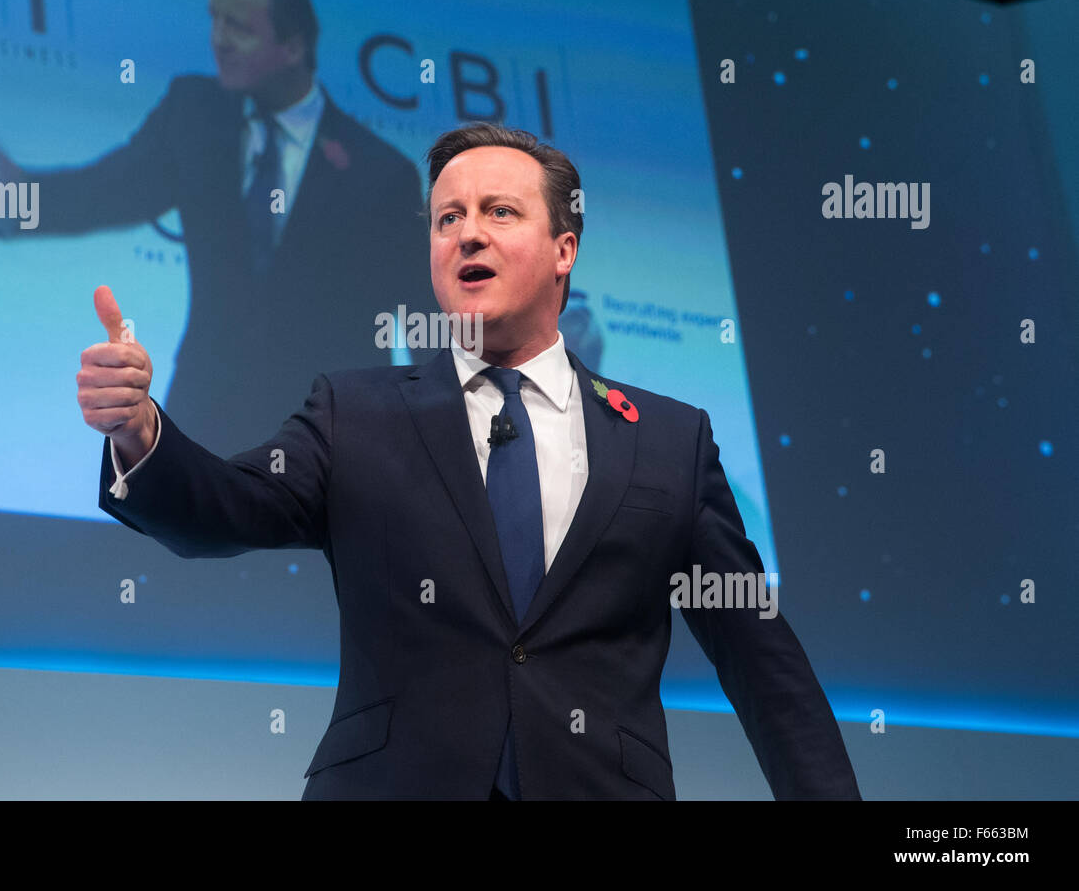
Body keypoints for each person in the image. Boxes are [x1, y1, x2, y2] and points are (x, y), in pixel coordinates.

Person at [77, 121, 862, 801]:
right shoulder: (357, 413)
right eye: (448, 217)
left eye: (499, 212)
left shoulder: (668, 441)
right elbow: (226, 505)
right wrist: (142, 430)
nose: (467, 233)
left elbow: (765, 666)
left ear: (564, 250)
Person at [0, 0, 435, 453]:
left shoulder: (378, 172)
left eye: (239, 27)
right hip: (205, 428)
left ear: (294, 45)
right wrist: (12, 195)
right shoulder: (195, 114)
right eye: (215, 19)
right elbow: (111, 188)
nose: (218, 40)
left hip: (327, 447)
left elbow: (421, 325)